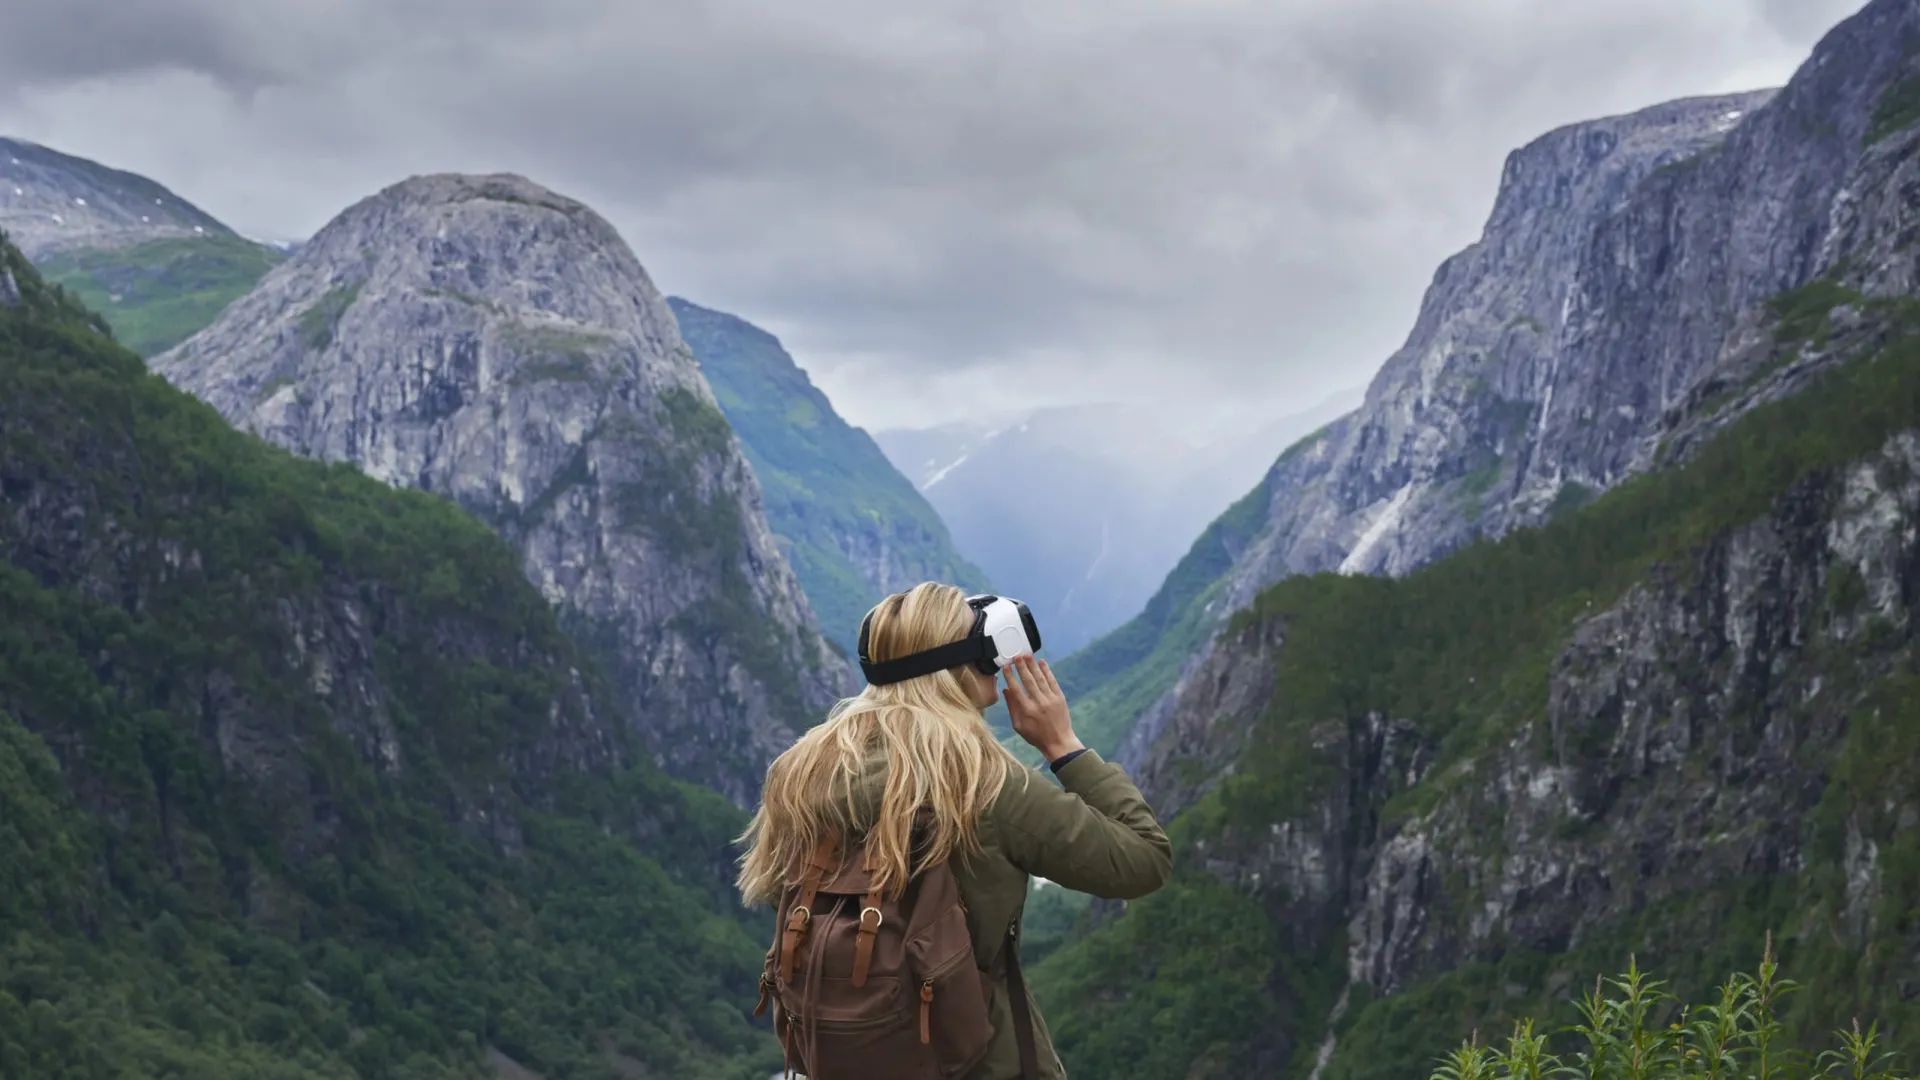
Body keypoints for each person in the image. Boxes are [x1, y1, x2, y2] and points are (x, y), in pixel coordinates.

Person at [736, 581, 1173, 1079]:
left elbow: (776, 889)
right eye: (988, 649)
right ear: (958, 668)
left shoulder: (800, 773)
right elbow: (1144, 859)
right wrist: (1063, 746)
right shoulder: (980, 783)